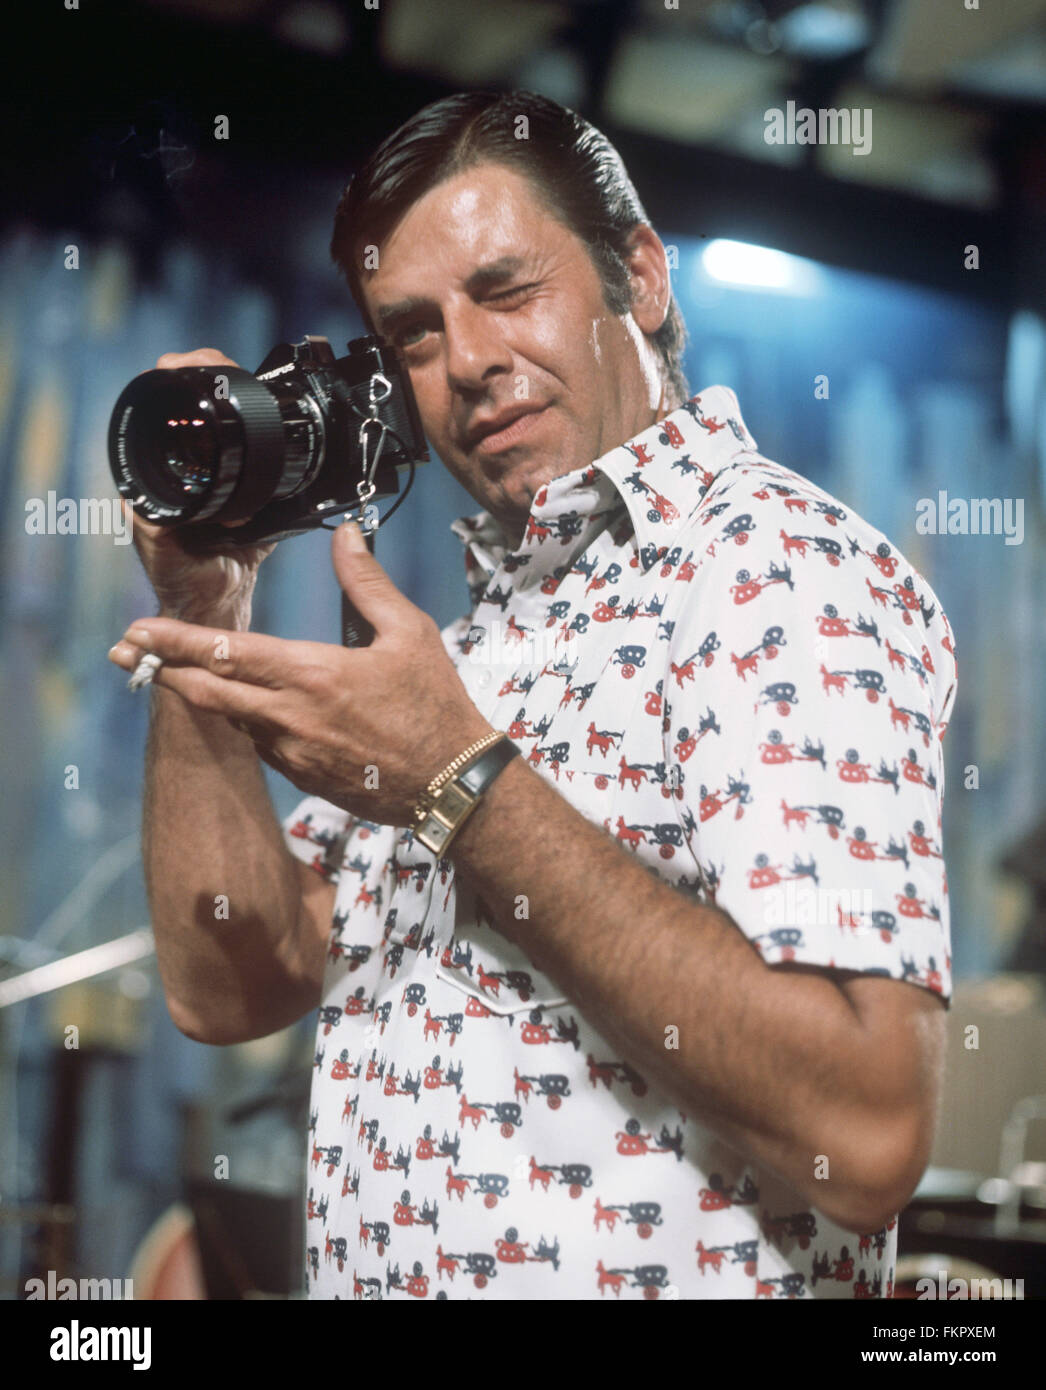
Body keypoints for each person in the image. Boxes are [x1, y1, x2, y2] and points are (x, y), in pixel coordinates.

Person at [109, 91, 957, 1300]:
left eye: (508, 291)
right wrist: (202, 615)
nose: (465, 362)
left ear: (642, 279)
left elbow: (867, 1132)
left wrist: (460, 782)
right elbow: (232, 979)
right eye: (411, 332)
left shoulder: (775, 569)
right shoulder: (479, 643)